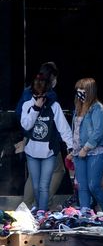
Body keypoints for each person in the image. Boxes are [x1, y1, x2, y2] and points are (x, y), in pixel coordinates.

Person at [19, 72, 76, 210]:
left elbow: (64, 128)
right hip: (32, 152)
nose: (39, 98)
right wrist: (36, 109)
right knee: (36, 185)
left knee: (44, 186)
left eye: (42, 95)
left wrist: (71, 147)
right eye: (36, 95)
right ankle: (36, 210)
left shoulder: (54, 106)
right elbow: (26, 125)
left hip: (49, 152)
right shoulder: (27, 105)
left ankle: (42, 213)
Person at [72, 77, 103, 213]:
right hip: (78, 152)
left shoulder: (97, 108)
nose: (79, 92)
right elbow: (76, 130)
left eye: (82, 89)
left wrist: (86, 147)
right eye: (78, 89)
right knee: (82, 186)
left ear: (89, 91)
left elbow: (98, 132)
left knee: (93, 185)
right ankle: (85, 213)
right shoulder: (77, 107)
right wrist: (74, 149)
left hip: (96, 152)